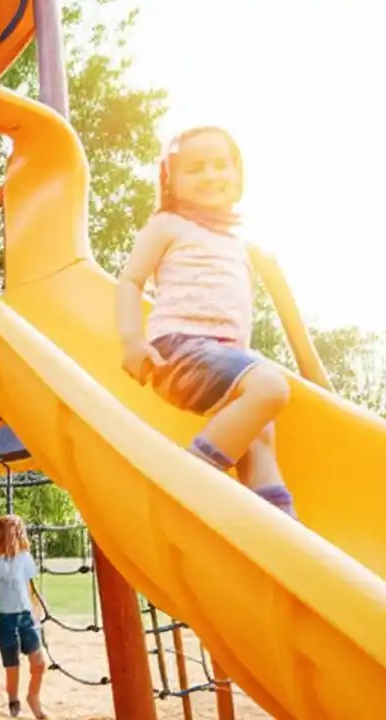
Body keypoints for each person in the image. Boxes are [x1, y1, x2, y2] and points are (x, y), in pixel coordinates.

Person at [116, 127, 296, 518]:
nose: (211, 175)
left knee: (260, 437)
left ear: (238, 174)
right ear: (171, 181)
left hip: (225, 357)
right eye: (196, 169)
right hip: (178, 350)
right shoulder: (167, 225)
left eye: (220, 165)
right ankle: (186, 486)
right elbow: (131, 280)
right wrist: (132, 341)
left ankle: (279, 530)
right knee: (270, 389)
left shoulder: (237, 243)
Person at [0, 514, 47, 719]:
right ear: (2, 535)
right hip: (6, 619)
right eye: (12, 531)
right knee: (13, 665)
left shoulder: (25, 558)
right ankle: (13, 701)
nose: (15, 535)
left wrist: (39, 612)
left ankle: (33, 696)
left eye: (18, 531)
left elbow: (31, 588)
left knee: (39, 662)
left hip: (25, 616)